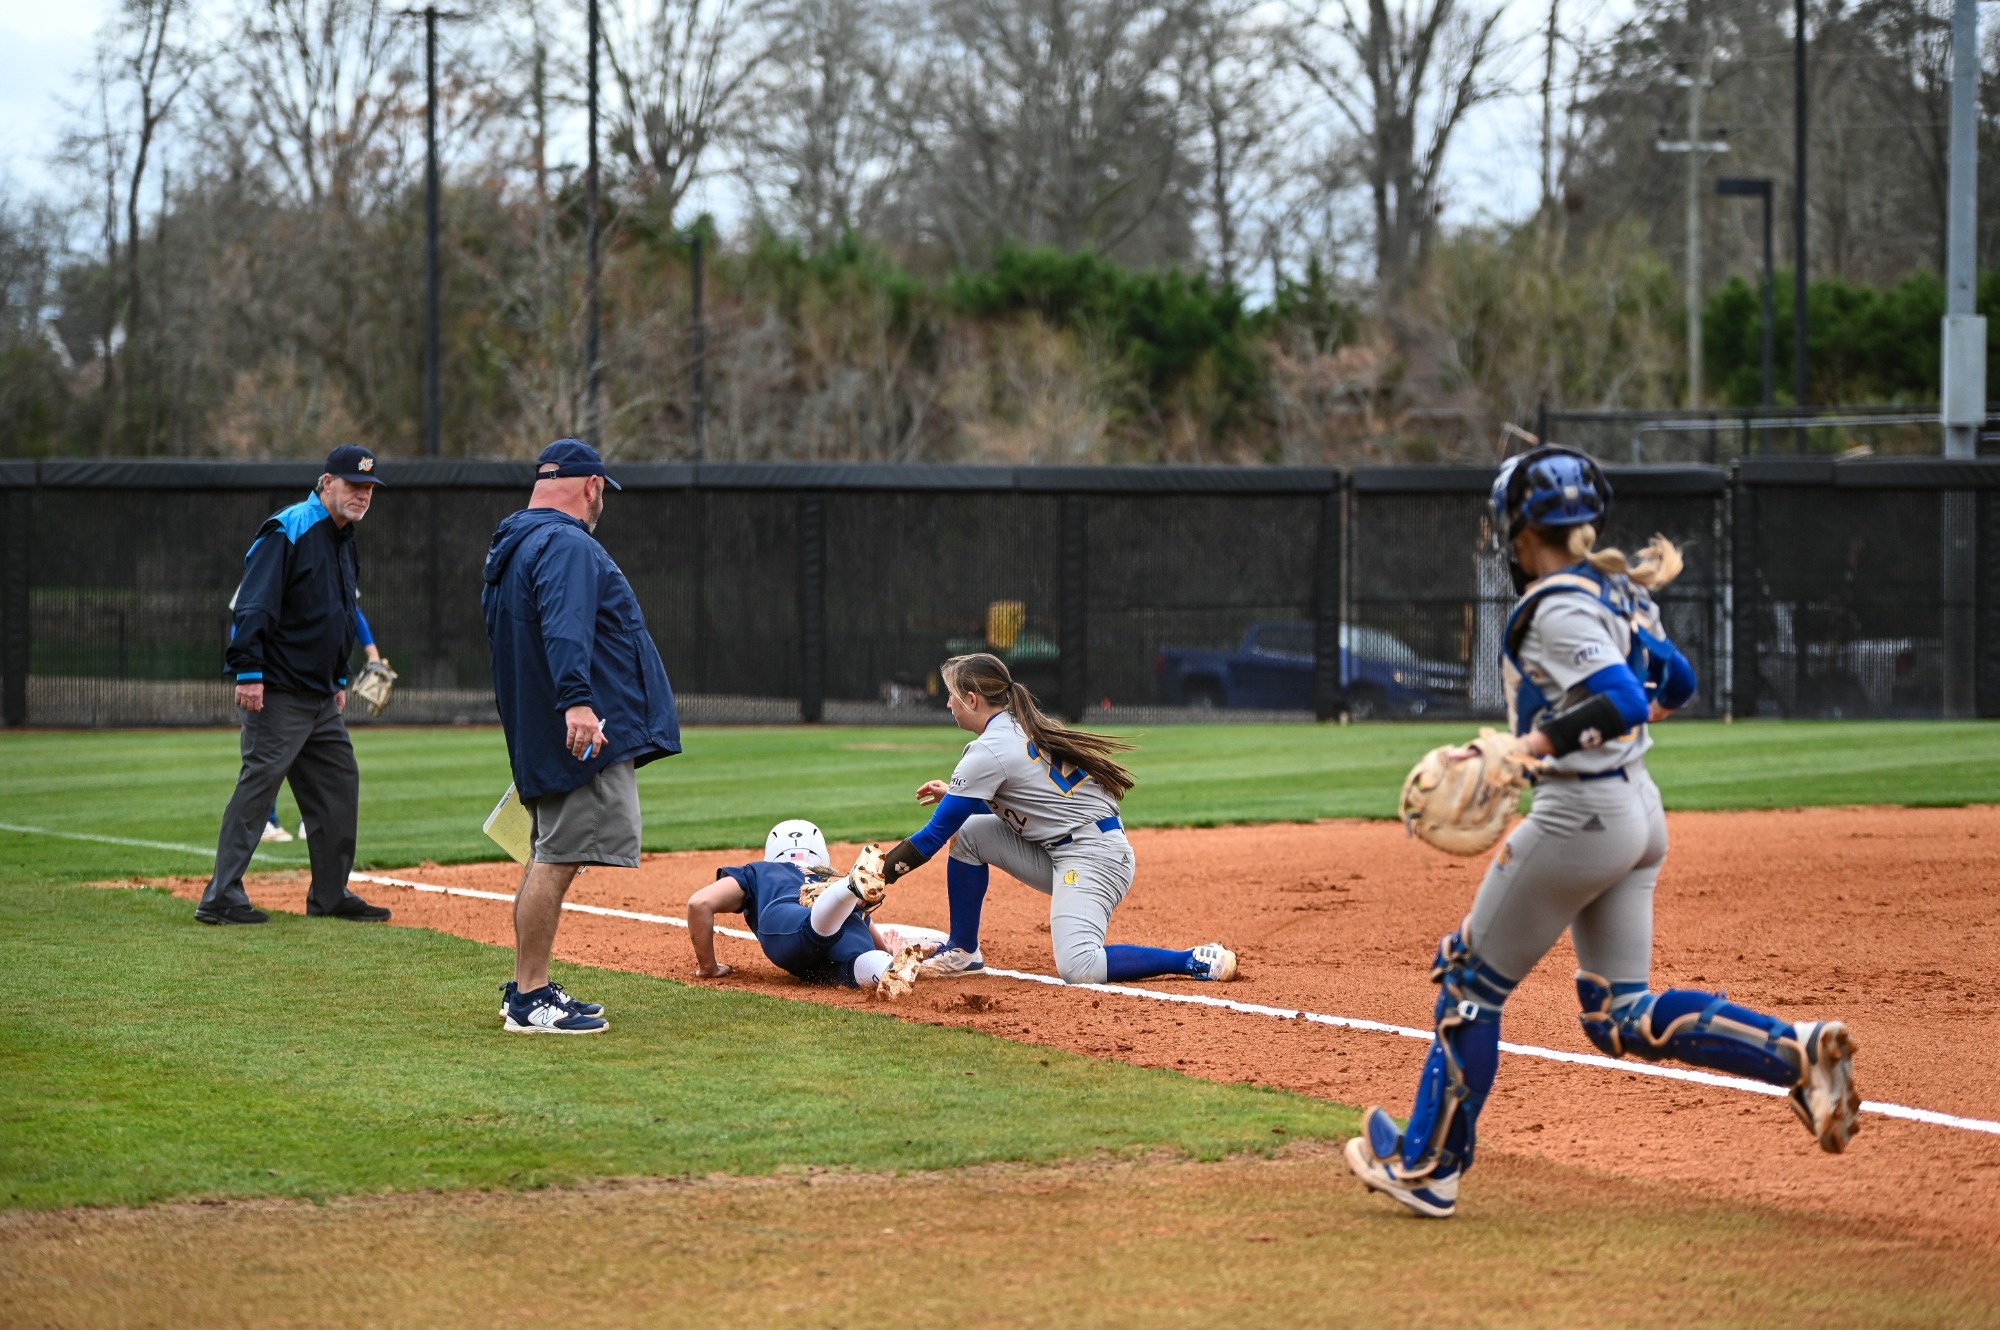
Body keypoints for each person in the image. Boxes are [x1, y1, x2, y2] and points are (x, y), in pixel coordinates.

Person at [1345, 446, 1859, 1220]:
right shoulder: (1615, 590)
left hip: (1579, 816)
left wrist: (1530, 747)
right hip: (1637, 811)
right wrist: (1599, 720)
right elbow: (1674, 683)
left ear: (1519, 530)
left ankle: (1427, 1166)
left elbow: (1619, 694)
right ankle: (1795, 1050)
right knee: (1617, 1017)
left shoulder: (1554, 604)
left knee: (1468, 981)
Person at [875, 652, 1237, 986]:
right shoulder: (1017, 726)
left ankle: (1189, 960)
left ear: (972, 700)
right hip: (1067, 845)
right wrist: (957, 797)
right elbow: (1029, 806)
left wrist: (871, 881)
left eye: (952, 694)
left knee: (1079, 967)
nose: (948, 702)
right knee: (970, 835)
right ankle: (963, 950)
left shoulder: (988, 749)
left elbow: (932, 836)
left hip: (1094, 857)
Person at [483, 438, 682, 1034]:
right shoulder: (566, 542)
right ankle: (531, 998)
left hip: (540, 728)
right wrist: (576, 701)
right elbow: (567, 628)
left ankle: (525, 987)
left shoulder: (518, 542)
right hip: (577, 736)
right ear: (592, 485)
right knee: (559, 858)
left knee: (549, 854)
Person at [197, 446, 392, 925]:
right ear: (327, 483)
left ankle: (330, 895)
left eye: (368, 488)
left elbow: (340, 615)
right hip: (279, 690)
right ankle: (221, 897)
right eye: (353, 485)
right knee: (259, 788)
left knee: (339, 784)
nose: (362, 495)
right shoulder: (289, 529)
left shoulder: (345, 539)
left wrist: (339, 677)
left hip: (322, 696)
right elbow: (253, 607)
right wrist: (247, 671)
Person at [686, 819, 918, 995]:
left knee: (813, 928)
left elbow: (699, 903)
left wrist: (709, 968)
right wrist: (890, 954)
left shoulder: (760, 870)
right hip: (849, 922)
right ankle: (883, 967)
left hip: (789, 918)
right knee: (857, 965)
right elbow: (872, 932)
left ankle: (844, 894)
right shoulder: (831, 878)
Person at [262, 605, 386, 844]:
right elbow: (246, 617)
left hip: (318, 678)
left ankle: (310, 820)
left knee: (321, 759)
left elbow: (351, 611)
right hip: (281, 677)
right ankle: (266, 820)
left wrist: (372, 655)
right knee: (276, 755)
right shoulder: (269, 569)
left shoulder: (336, 571)